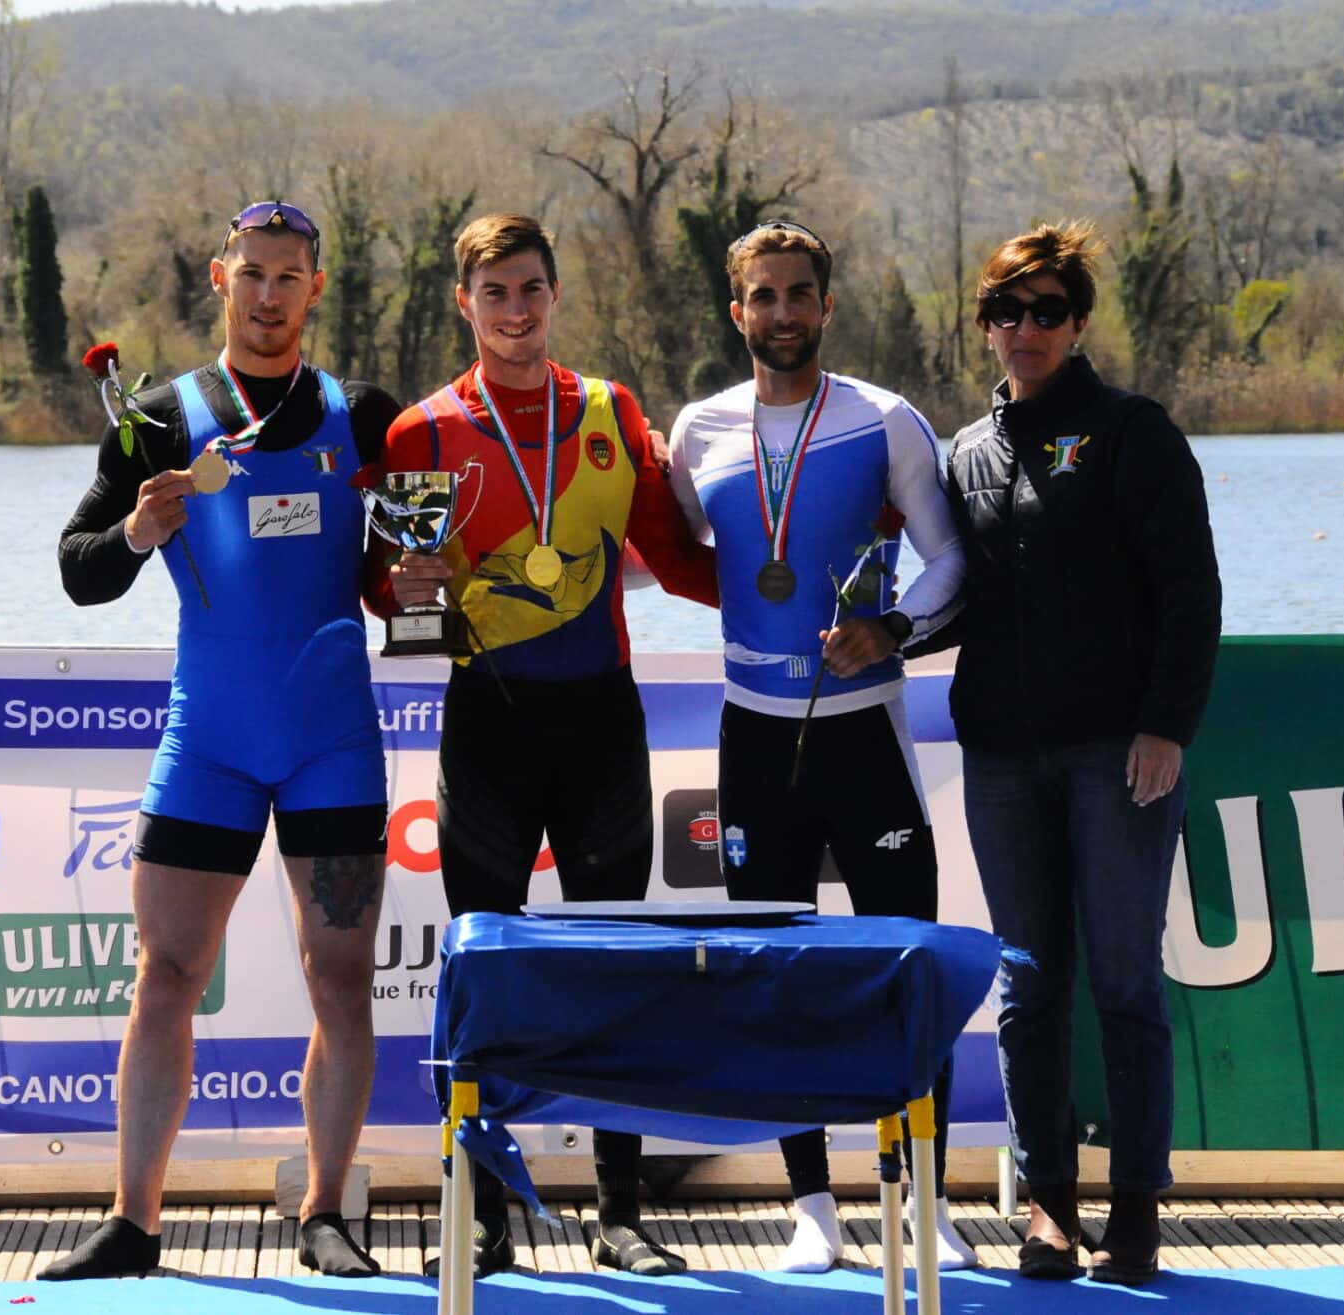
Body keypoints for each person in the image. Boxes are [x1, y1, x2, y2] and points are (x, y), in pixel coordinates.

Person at [49, 201, 400, 1281]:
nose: (268, 294)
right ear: (220, 278)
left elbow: (404, 567)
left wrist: (417, 585)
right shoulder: (158, 415)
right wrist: (139, 529)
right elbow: (76, 567)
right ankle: (134, 1222)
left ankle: (327, 1213)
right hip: (209, 740)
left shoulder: (366, 414)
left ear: (315, 289)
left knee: (340, 980)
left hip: (331, 737)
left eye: (289, 277)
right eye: (252, 273)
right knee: (165, 975)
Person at [366, 212, 719, 1278]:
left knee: (619, 962)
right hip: (491, 723)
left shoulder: (609, 410)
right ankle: (476, 1210)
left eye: (530, 290)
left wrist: (815, 564)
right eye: (495, 294)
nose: (515, 312)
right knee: (481, 973)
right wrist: (398, 587)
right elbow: (401, 603)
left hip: (603, 718)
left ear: (554, 294)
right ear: (463, 305)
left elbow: (681, 557)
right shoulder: (420, 433)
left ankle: (620, 1213)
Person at [912, 220, 1221, 1286]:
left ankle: (1136, 1208)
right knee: (1029, 984)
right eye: (1007, 311)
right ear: (985, 328)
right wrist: (881, 631)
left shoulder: (1135, 432)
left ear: (1078, 322)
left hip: (1116, 753)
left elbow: (1190, 593)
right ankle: (1049, 1209)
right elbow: (954, 600)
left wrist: (1166, 724)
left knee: (1128, 980)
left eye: (1047, 310)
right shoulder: (963, 453)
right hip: (1001, 754)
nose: (1026, 328)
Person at [664, 220, 971, 1273]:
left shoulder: (884, 419)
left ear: (826, 307)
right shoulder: (697, 431)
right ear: (736, 309)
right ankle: (813, 1207)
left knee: (903, 969)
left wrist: (892, 629)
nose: (784, 313)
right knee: (780, 973)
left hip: (867, 733)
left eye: (801, 294)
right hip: (754, 736)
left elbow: (948, 561)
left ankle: (920, 1193)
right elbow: (685, 561)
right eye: (765, 296)